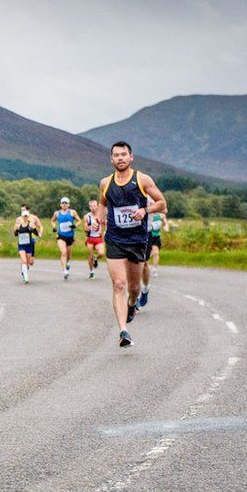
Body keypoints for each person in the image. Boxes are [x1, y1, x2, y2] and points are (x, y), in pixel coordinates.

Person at [96, 141, 167, 348]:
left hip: (137, 240)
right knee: (119, 284)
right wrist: (99, 219)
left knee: (133, 288)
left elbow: (162, 203)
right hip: (115, 239)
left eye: (124, 155)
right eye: (116, 155)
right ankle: (123, 331)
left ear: (131, 157)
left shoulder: (142, 179)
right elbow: (102, 203)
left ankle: (133, 303)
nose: (120, 158)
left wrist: (145, 211)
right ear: (111, 159)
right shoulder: (105, 183)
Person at [137, 200, 168, 308]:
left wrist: (149, 209)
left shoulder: (150, 194)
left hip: (148, 234)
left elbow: (164, 209)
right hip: (130, 233)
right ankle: (134, 296)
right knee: (130, 265)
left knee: (144, 264)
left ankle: (145, 289)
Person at [51, 197, 82, 280]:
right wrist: (54, 227)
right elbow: (52, 220)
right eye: (63, 203)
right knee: (63, 252)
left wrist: (75, 225)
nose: (64, 205)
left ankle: (67, 263)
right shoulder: (57, 213)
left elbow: (79, 220)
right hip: (61, 236)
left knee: (68, 255)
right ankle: (64, 271)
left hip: (70, 236)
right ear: (60, 204)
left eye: (66, 203)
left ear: (69, 204)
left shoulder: (72, 212)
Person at [13, 208, 39, 284]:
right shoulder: (18, 225)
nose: (25, 217)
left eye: (27, 216)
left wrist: (32, 229)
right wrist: (16, 231)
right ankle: (26, 277)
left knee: (28, 262)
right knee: (23, 260)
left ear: (28, 216)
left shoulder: (31, 224)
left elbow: (36, 234)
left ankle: (24, 271)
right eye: (24, 216)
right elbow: (15, 234)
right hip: (21, 245)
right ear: (22, 217)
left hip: (29, 245)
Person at [84, 199, 105, 279]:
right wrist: (91, 226)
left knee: (102, 253)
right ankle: (91, 272)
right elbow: (85, 229)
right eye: (91, 206)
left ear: (97, 207)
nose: (93, 208)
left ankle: (96, 258)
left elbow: (103, 226)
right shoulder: (87, 216)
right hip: (90, 238)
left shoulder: (101, 216)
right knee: (90, 256)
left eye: (95, 206)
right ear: (89, 207)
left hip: (98, 238)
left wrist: (103, 234)